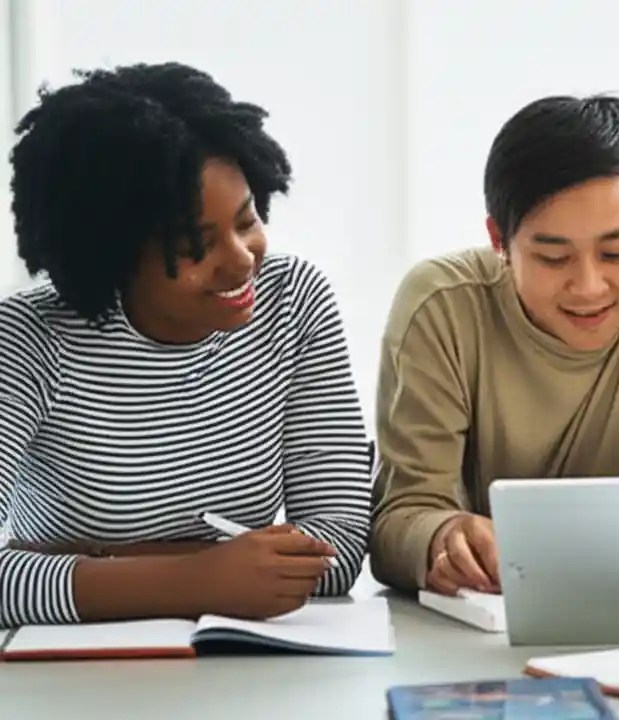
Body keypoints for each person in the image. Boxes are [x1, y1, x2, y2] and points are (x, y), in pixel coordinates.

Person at [0, 62, 371, 629]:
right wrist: (197, 580)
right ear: (114, 256)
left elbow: (339, 545)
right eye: (197, 247)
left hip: (244, 667)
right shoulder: (26, 340)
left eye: (246, 221)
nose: (243, 258)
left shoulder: (294, 301)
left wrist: (85, 565)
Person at [370, 95, 619, 596]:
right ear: (498, 240)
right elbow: (399, 516)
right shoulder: (441, 306)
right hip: (481, 629)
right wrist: (441, 538)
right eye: (553, 257)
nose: (590, 286)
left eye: (616, 252)